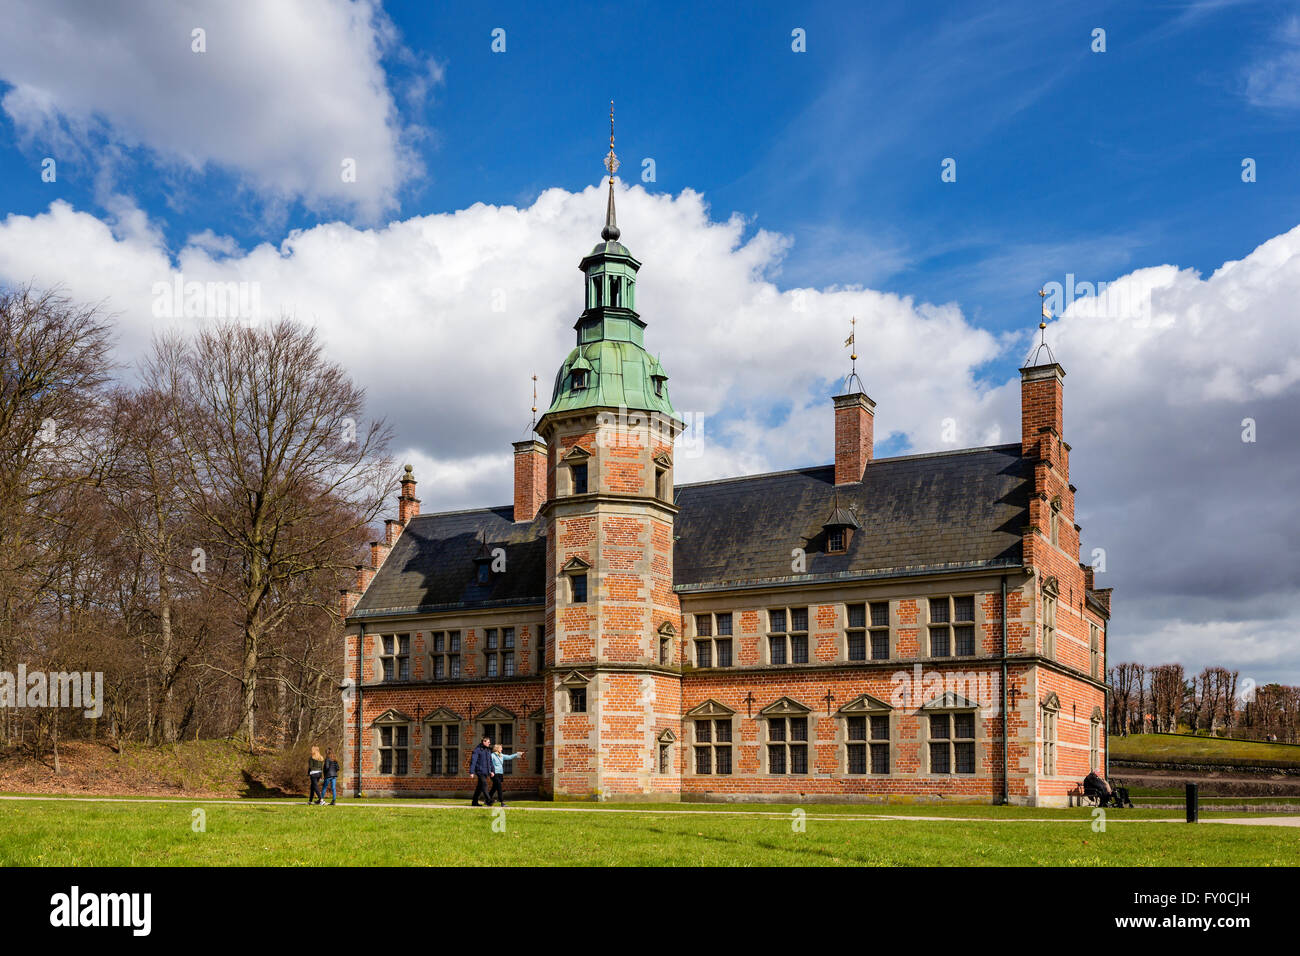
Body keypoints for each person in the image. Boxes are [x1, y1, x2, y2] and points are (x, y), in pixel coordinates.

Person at [469, 736, 494, 806]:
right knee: (484, 784)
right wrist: (472, 772)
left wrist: (492, 771)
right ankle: (489, 800)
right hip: (480, 771)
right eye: (488, 742)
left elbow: (490, 762)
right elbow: (473, 761)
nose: (489, 743)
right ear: (484, 742)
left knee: (479, 788)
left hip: (486, 772)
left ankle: (474, 802)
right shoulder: (477, 750)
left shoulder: (488, 750)